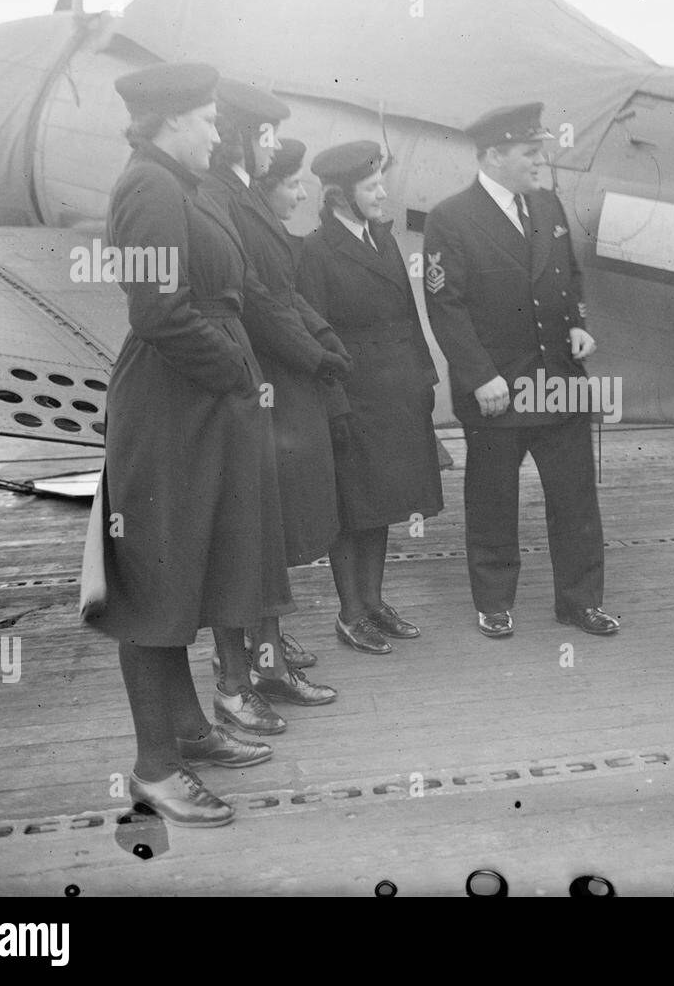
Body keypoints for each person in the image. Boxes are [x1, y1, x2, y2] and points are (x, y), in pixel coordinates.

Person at [87, 61, 302, 825]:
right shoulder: (148, 186)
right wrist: (236, 369)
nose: (218, 131)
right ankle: (154, 768)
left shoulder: (180, 185)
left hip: (198, 405)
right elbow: (158, 312)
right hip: (173, 405)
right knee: (154, 586)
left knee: (185, 574)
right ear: (171, 120)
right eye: (208, 118)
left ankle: (187, 729)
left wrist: (232, 374)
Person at [422, 103, 618, 640]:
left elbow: (569, 277)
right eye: (530, 152)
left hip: (557, 381)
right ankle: (494, 601)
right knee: (492, 501)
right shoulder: (451, 217)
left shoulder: (547, 204)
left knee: (576, 500)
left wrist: (577, 324)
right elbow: (447, 306)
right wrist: (479, 375)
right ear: (493, 155)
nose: (540, 159)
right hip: (497, 389)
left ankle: (580, 602)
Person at [202, 84, 346, 716]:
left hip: (257, 377)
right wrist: (316, 356)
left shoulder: (238, 195)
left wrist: (323, 341)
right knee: (246, 535)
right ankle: (249, 672)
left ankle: (265, 657)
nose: (274, 148)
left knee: (258, 533)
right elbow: (257, 297)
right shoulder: (223, 197)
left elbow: (276, 290)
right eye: (265, 136)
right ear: (239, 136)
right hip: (247, 380)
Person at [298, 141, 443, 654]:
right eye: (371, 186)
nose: (383, 193)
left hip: (396, 393)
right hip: (352, 397)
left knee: (382, 503)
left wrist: (425, 376)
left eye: (382, 182)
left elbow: (407, 315)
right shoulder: (314, 251)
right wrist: (333, 404)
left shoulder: (383, 238)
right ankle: (350, 612)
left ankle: (375, 603)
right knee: (351, 507)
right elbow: (315, 336)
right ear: (341, 196)